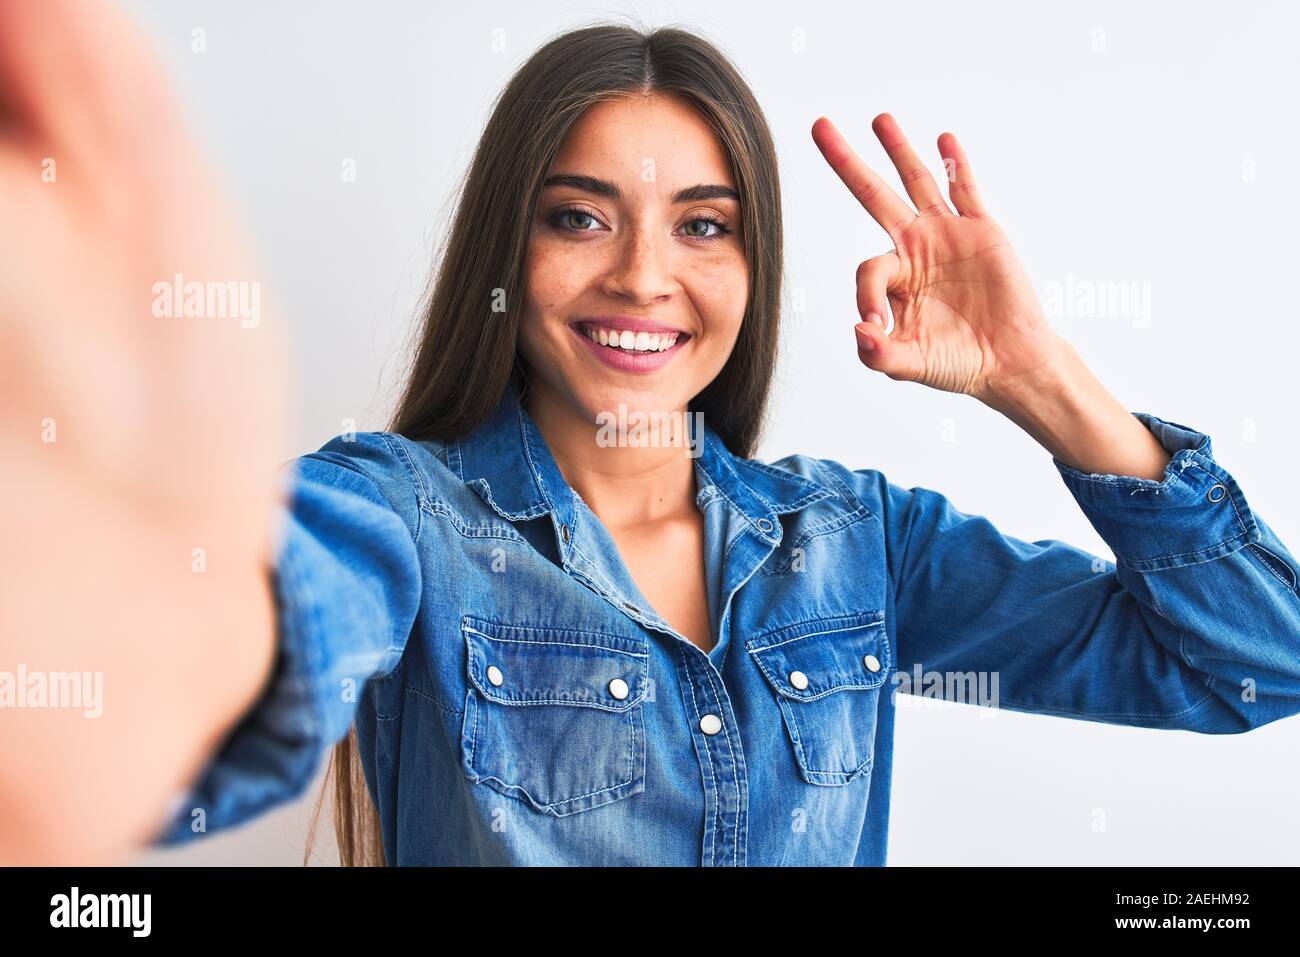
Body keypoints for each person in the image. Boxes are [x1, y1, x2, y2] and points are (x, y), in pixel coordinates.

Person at [2, 6, 1297, 866]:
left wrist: (1044, 381)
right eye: (578, 217)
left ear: (755, 258)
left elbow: (1251, 664)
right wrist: (123, 626)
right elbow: (214, 665)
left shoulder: (856, 544)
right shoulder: (402, 516)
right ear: (508, 249)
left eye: (702, 223)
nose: (641, 274)